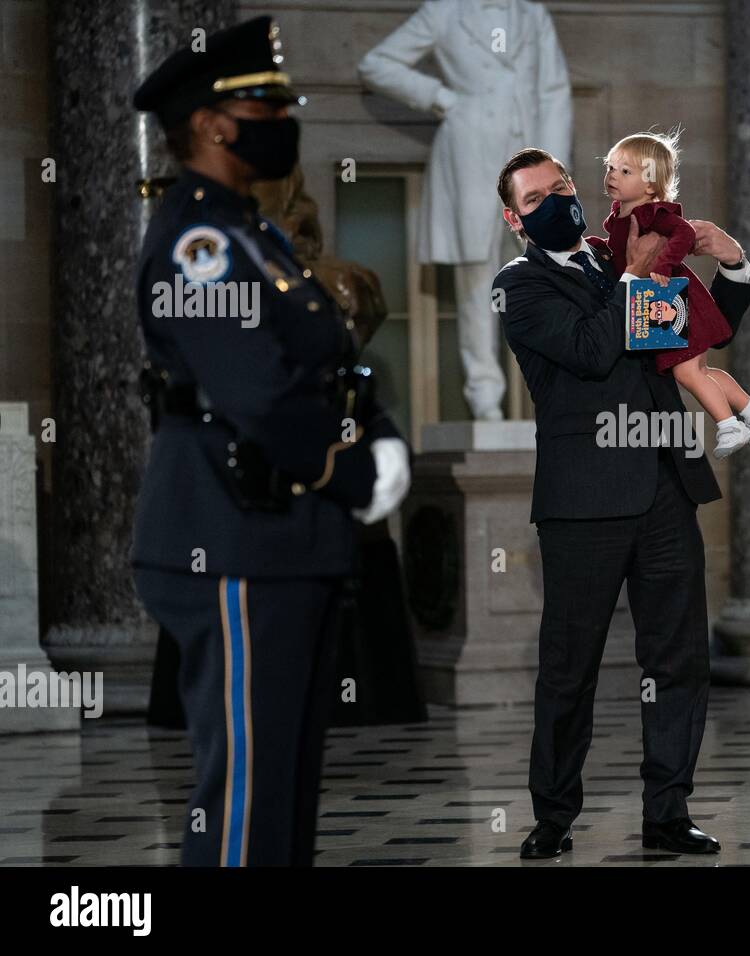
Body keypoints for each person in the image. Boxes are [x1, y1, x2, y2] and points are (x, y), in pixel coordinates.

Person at [130, 16, 410, 866]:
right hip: (235, 532)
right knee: (247, 788)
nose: (282, 120)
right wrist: (355, 466)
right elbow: (256, 389)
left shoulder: (254, 234)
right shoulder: (200, 242)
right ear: (214, 125)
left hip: (285, 536)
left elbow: (325, 363)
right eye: (265, 105)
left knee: (285, 779)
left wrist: (375, 429)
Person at [492, 147, 750, 858]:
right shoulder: (518, 287)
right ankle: (553, 815)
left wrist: (730, 264)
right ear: (514, 219)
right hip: (584, 500)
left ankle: (667, 813)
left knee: (678, 660)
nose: (557, 199)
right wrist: (638, 274)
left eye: (563, 186)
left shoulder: (620, 250)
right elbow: (586, 349)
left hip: (665, 486)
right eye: (536, 196)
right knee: (569, 664)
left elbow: (690, 332)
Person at [357, 0, 573, 420]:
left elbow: (554, 92)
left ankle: (544, 390)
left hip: (529, 163)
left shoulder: (531, 14)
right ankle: (485, 394)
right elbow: (377, 63)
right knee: (478, 277)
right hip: (471, 157)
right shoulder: (445, 12)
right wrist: (442, 98)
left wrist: (554, 174)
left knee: (543, 276)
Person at [601, 131, 750, 458]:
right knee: (699, 371)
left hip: (673, 296)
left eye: (625, 171)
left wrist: (666, 264)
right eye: (611, 167)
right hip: (654, 297)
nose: (612, 175)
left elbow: (684, 231)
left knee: (687, 370)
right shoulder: (620, 216)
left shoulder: (653, 213)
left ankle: (729, 424)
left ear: (651, 185)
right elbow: (619, 254)